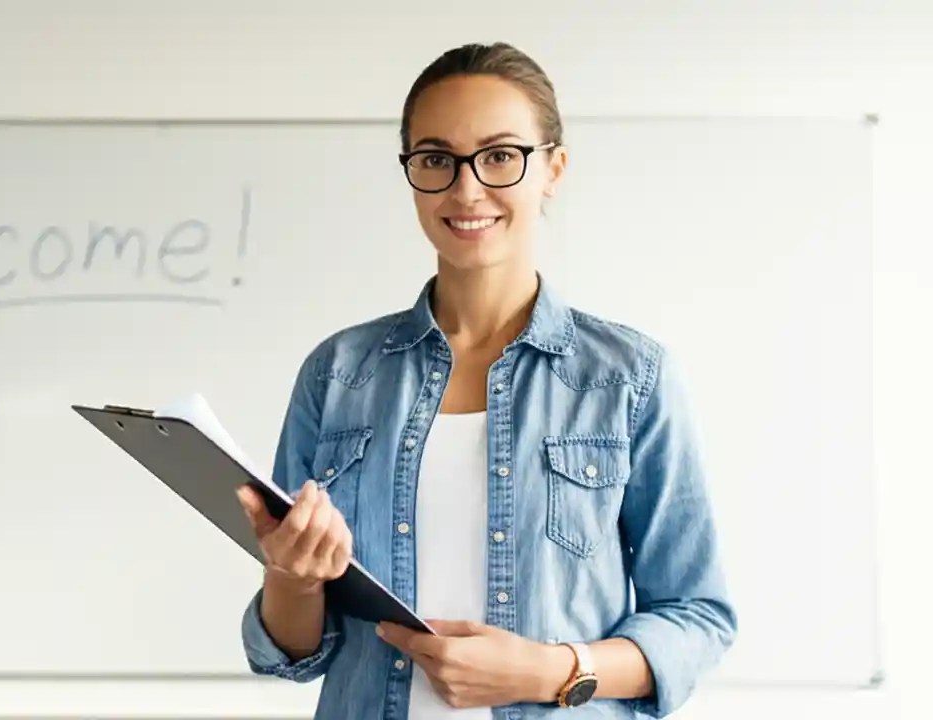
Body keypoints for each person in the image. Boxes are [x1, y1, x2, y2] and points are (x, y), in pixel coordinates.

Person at [234, 41, 736, 719]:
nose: (466, 189)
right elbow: (298, 652)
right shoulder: (339, 372)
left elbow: (698, 616)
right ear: (411, 171)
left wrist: (550, 671)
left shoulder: (629, 378)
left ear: (553, 169)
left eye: (500, 155)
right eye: (436, 159)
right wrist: (291, 578)